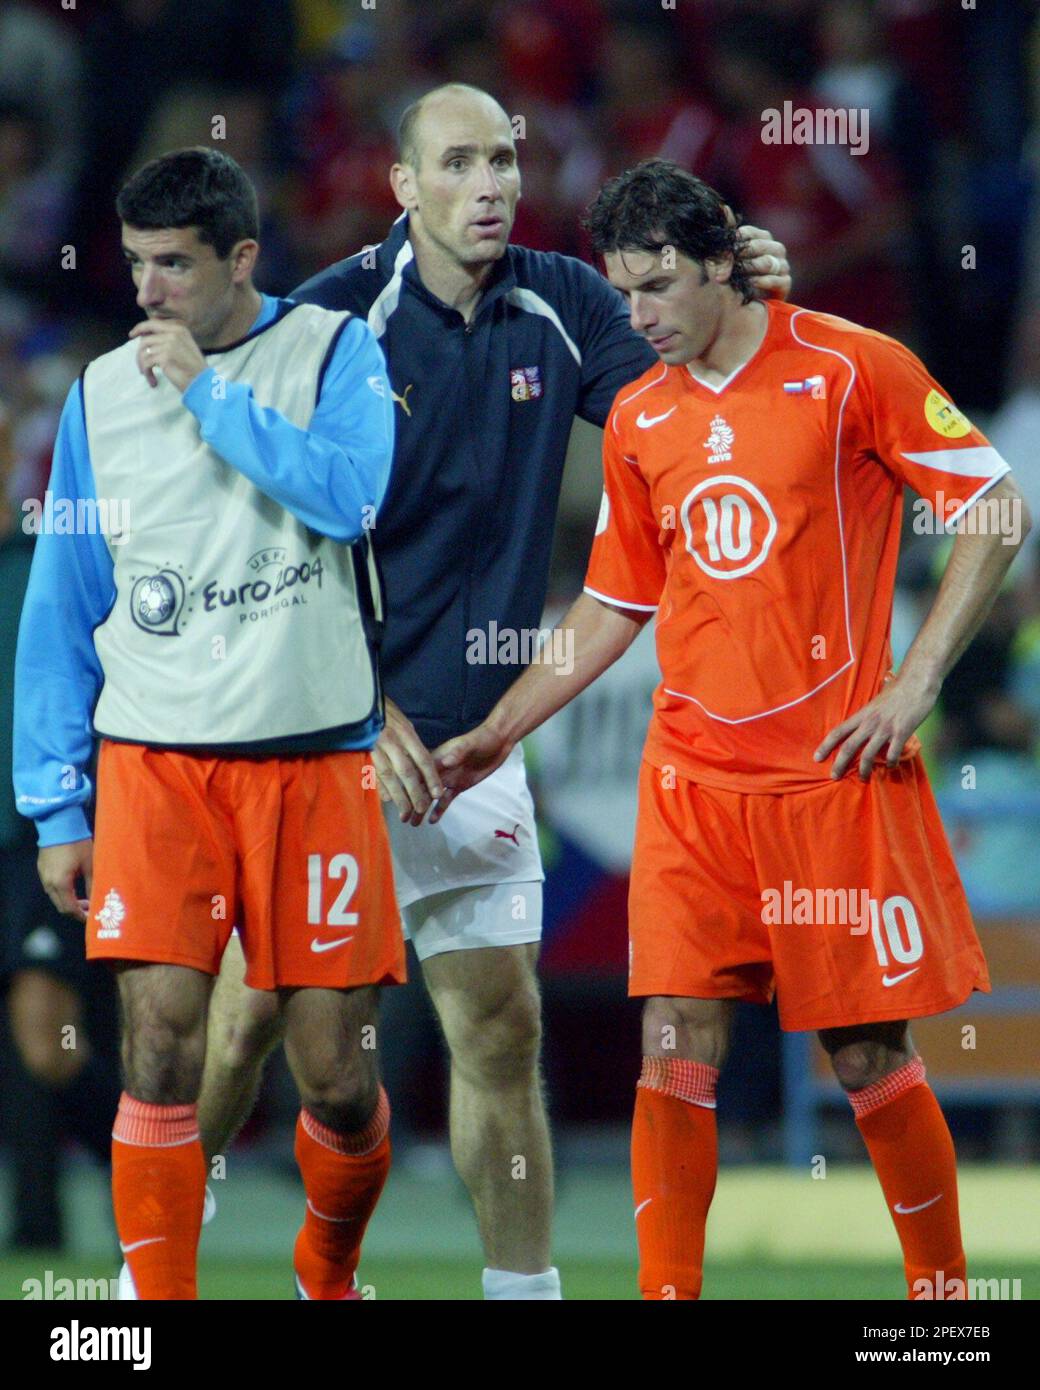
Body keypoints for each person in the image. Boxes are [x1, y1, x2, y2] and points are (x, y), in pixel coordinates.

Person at [197, 83, 792, 1300]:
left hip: (476, 743)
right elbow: (251, 543)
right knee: (249, 1024)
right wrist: (362, 707)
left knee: (501, 1026)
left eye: (505, 160)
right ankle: (156, 1246)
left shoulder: (564, 304)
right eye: (458, 162)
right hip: (329, 733)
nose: (491, 184)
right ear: (403, 186)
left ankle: (522, 1292)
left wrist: (739, 297)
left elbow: (698, 389)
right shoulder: (325, 324)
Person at [434, 159, 1030, 1301]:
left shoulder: (853, 366)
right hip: (692, 783)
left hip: (827, 777)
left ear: (723, 262)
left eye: (658, 285)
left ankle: (944, 1304)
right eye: (622, 294)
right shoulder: (638, 417)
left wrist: (915, 684)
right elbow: (613, 600)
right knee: (674, 1037)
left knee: (865, 1054)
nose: (640, 314)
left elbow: (992, 507)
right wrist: (497, 729)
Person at [13, 147, 403, 1300]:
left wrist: (206, 393)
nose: (147, 293)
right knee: (162, 1042)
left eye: (174, 265)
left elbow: (348, 494)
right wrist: (54, 801)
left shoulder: (336, 351)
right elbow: (63, 602)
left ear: (241, 257)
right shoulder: (95, 395)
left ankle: (324, 1272)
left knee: (335, 1076)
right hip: (157, 764)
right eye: (136, 264)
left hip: (315, 761)